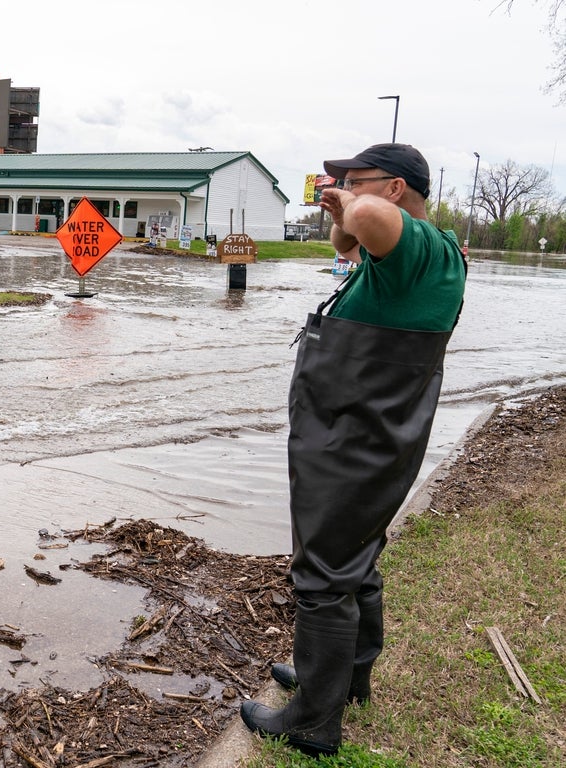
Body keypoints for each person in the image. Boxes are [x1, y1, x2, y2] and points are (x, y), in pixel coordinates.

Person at [240, 143, 467, 756]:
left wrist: (348, 201)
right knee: (356, 559)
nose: (342, 186)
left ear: (394, 189)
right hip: (369, 428)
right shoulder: (416, 257)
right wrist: (345, 205)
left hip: (354, 435)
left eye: (357, 178)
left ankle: (314, 720)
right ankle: (343, 678)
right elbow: (348, 243)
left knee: (323, 574)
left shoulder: (415, 244)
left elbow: (367, 222)